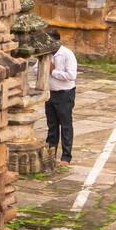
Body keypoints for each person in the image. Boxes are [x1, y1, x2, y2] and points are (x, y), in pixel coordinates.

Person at [45, 27, 77, 165]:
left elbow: (71, 76)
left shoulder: (67, 54)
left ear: (56, 42)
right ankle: (50, 153)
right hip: (50, 93)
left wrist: (53, 72)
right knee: (52, 125)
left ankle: (66, 156)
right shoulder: (47, 54)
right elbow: (36, 69)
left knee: (65, 125)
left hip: (65, 94)